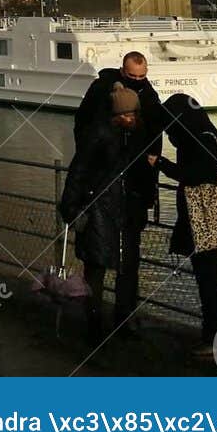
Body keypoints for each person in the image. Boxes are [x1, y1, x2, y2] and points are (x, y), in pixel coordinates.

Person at [59, 82, 161, 341]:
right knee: (97, 270)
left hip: (125, 211)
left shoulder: (133, 134)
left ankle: (121, 322)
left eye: (133, 114)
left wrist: (147, 199)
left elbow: (140, 174)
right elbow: (79, 171)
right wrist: (71, 207)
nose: (131, 118)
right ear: (115, 114)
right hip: (101, 212)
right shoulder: (101, 135)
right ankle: (96, 325)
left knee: (126, 269)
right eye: (126, 114)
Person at [160, 93, 217, 356]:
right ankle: (214, 335)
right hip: (210, 220)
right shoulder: (208, 134)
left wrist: (162, 164)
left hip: (203, 221)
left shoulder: (200, 140)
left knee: (208, 281)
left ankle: (213, 338)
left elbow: (196, 174)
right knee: (209, 280)